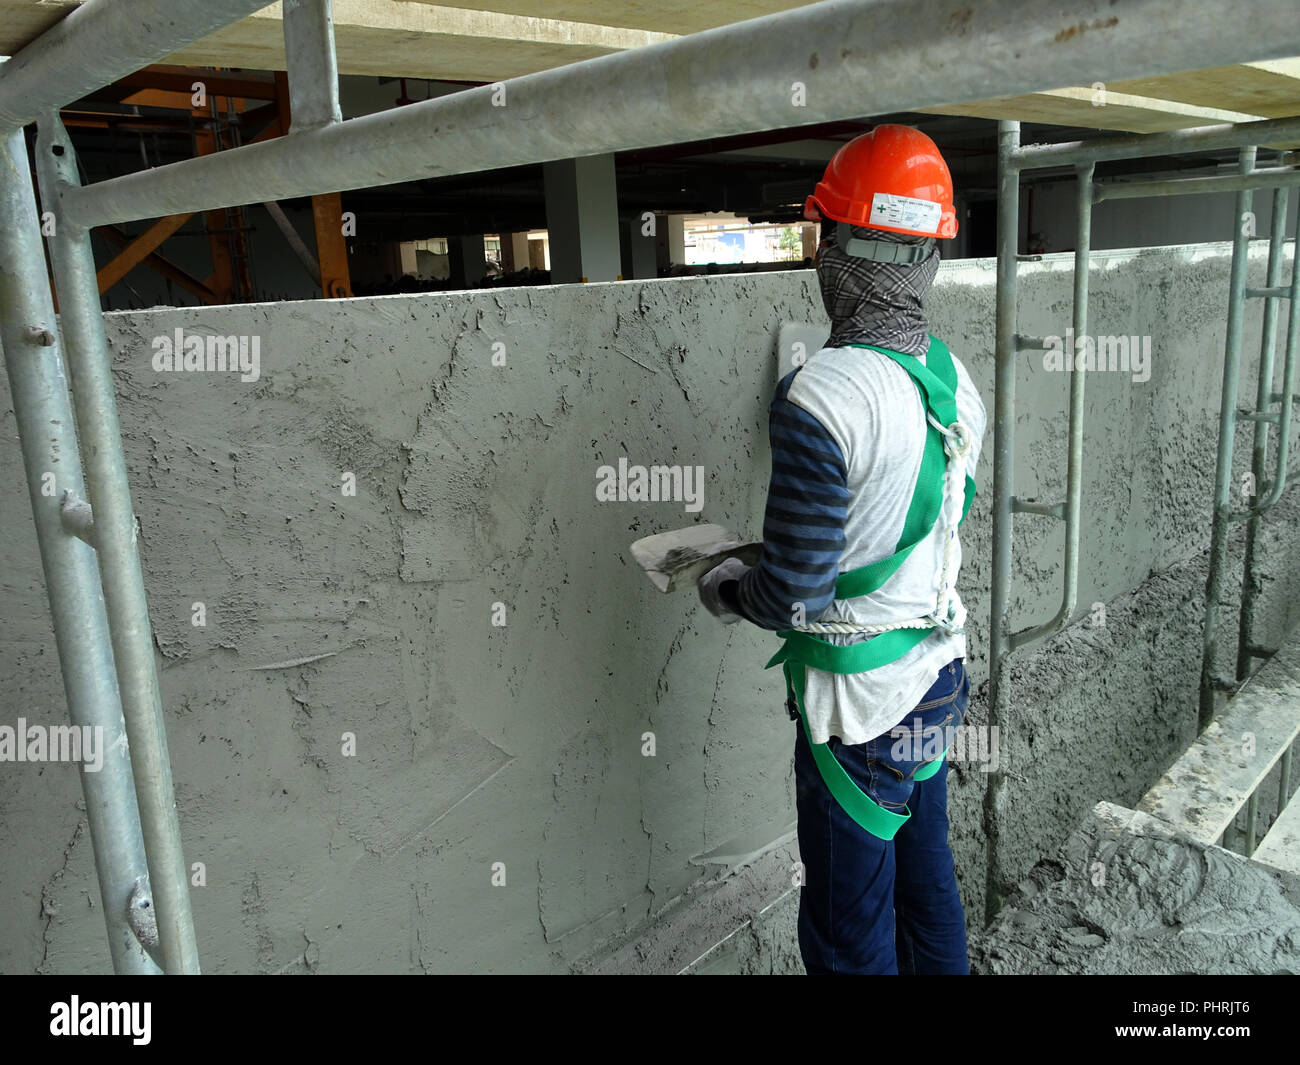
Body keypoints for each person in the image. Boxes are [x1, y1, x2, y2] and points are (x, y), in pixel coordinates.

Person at [697, 124, 986, 975]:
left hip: (859, 709)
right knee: (925, 883)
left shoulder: (821, 395)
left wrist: (725, 586)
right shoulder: (953, 377)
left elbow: (795, 593)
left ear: (838, 250)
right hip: (936, 677)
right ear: (926, 256)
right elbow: (919, 517)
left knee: (845, 934)